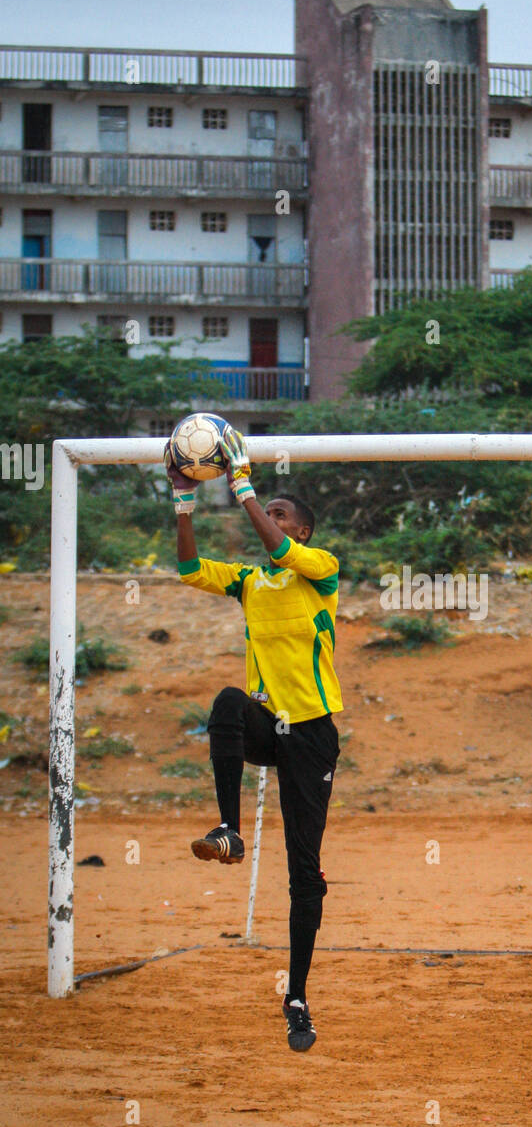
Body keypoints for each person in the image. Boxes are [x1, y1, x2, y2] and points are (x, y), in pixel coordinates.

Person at [166, 425, 342, 1053]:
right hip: (273, 725)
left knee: (305, 876)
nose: (268, 517)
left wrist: (242, 487)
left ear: (301, 532)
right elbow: (188, 569)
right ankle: (228, 829)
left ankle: (297, 996)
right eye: (267, 509)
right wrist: (185, 500)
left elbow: (281, 548)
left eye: (280, 513)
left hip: (313, 736)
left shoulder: (320, 571)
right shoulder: (249, 581)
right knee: (227, 704)